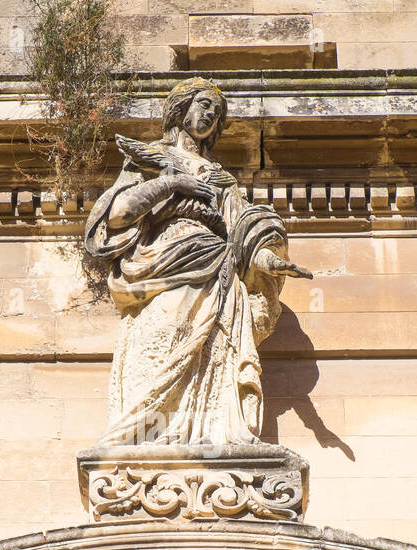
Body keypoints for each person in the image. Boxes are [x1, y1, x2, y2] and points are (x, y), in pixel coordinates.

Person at [83, 77, 312, 448]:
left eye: (217, 112)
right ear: (181, 107)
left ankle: (211, 436)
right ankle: (146, 436)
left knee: (214, 353)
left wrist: (269, 260)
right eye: (204, 104)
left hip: (217, 270)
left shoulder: (221, 179)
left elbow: (241, 231)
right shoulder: (152, 158)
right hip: (163, 265)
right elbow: (119, 215)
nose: (210, 114)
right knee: (161, 342)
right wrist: (174, 184)